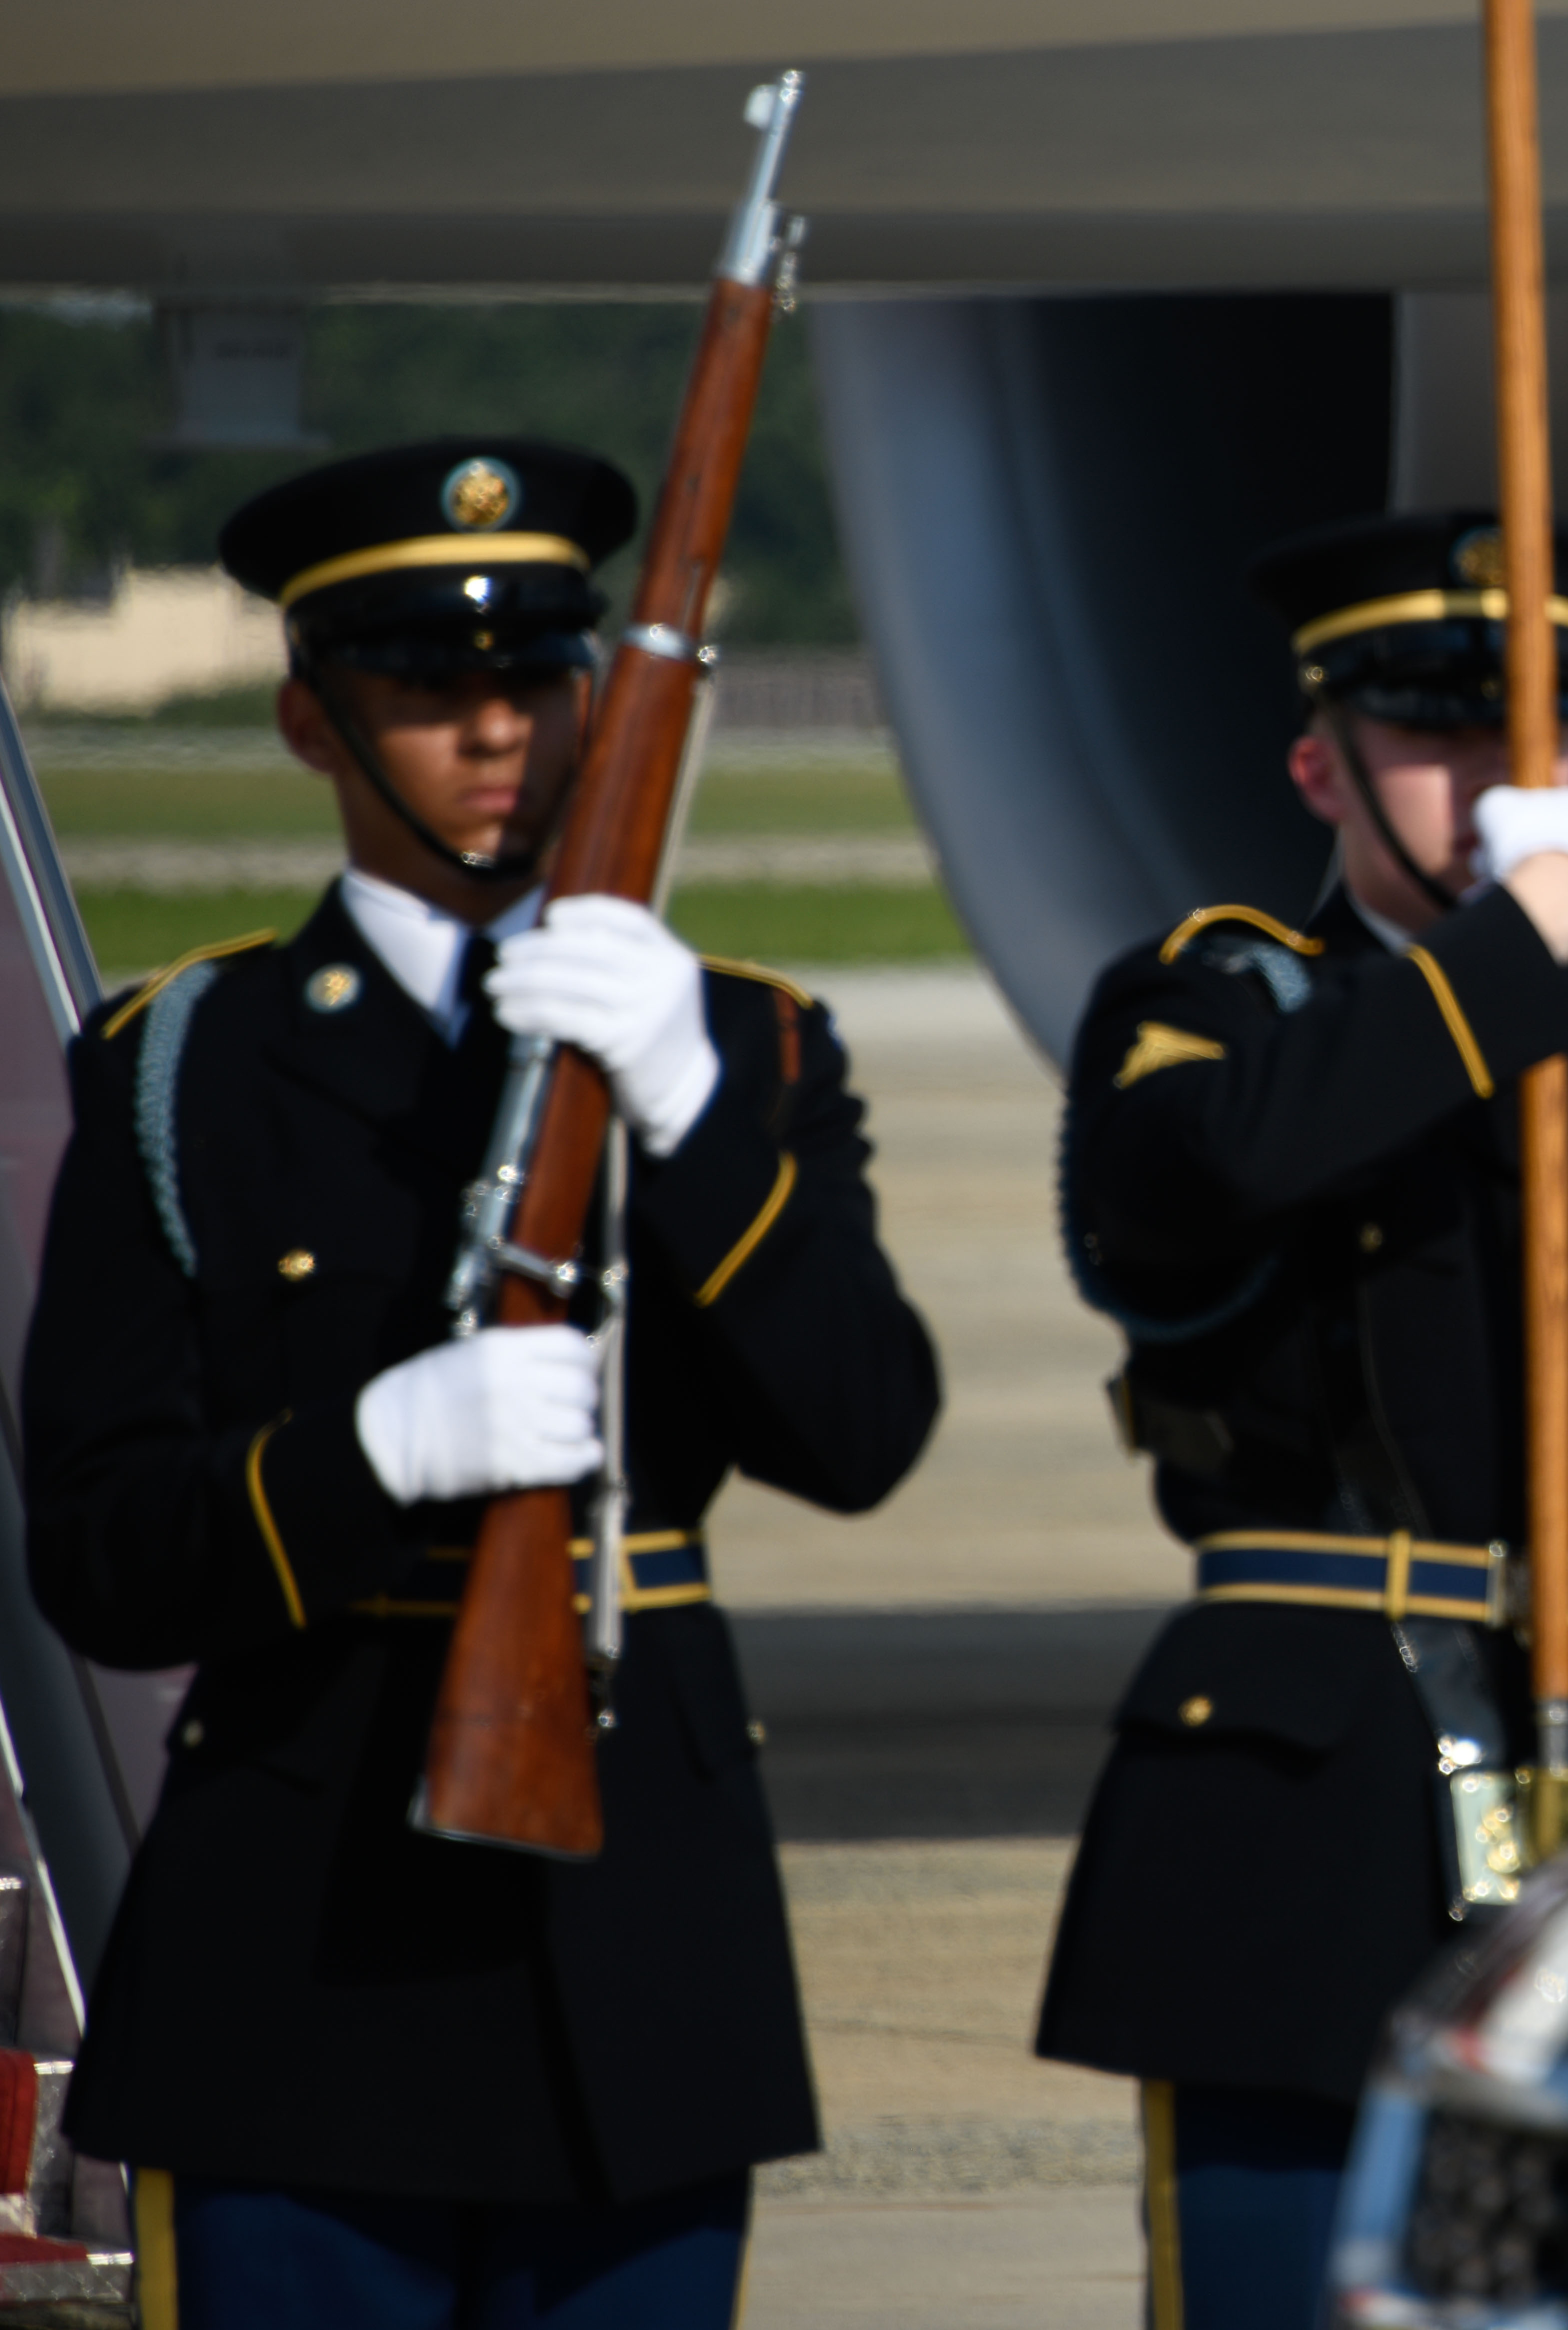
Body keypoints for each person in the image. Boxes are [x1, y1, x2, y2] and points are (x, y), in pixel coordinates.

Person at [20, 437, 941, 2325]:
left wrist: (683, 1110)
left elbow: (861, 1432)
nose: (496, 729)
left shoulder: (741, 1044)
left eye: (534, 677)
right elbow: (104, 1555)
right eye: (428, 689)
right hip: (300, 1959)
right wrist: (369, 1453)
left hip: (631, 1957)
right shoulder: (185, 1067)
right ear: (310, 722)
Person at [1036, 508, 1568, 2328]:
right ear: (1316, 762)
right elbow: (1208, 1177)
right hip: (1314, 1829)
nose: (1493, 772)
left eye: (1537, 728)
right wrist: (1518, 951)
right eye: (1431, 728)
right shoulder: (1216, 1005)